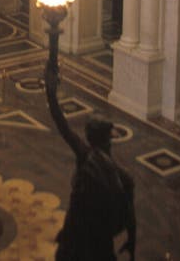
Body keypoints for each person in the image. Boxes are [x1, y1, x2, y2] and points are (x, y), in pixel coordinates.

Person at [44, 62, 136, 261]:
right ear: (109, 138)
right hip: (98, 239)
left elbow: (62, 124)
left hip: (78, 234)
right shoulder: (120, 175)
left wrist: (50, 93)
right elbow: (129, 214)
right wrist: (132, 240)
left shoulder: (85, 154)